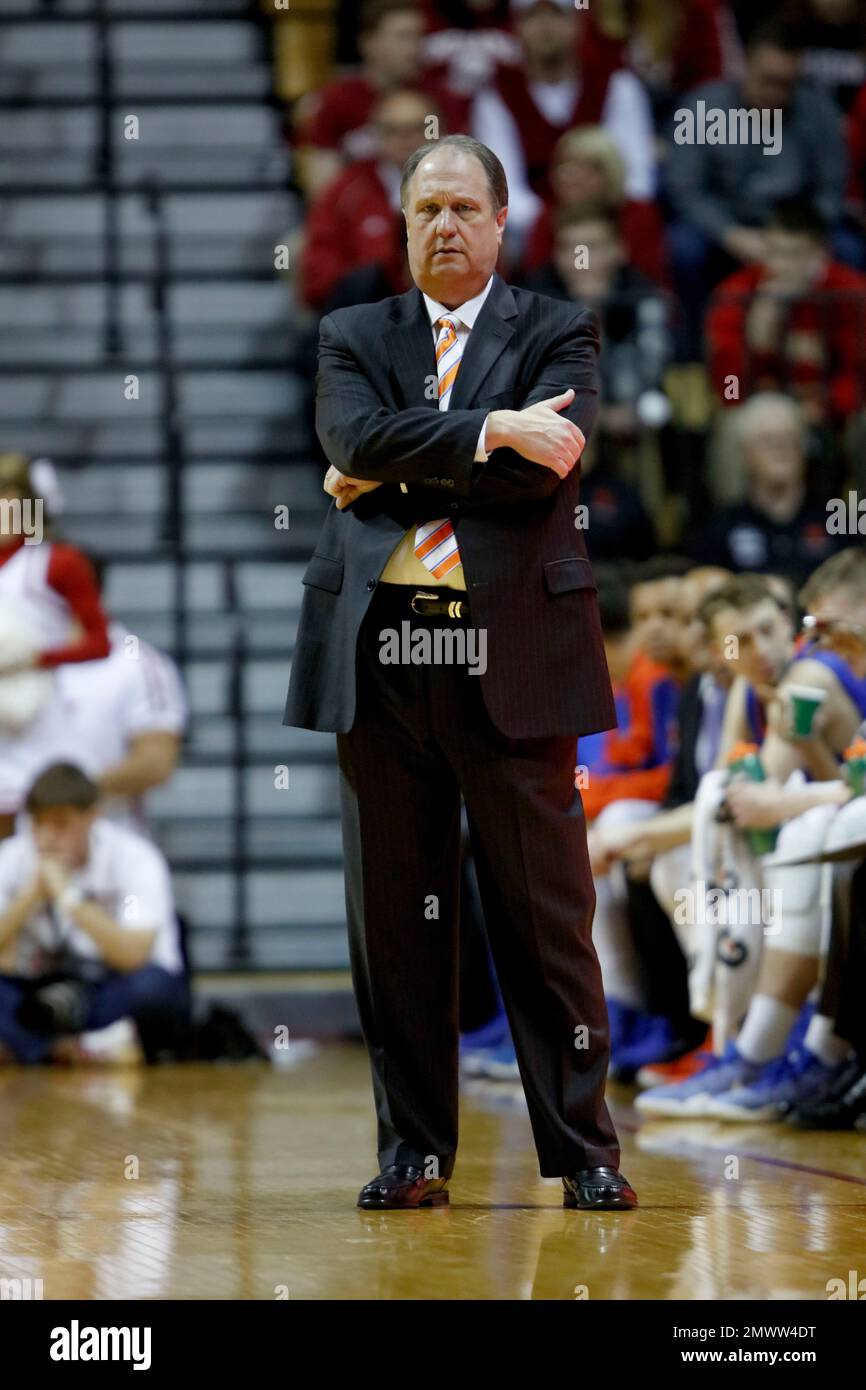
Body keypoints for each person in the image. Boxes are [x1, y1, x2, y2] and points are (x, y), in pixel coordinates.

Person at [284, 132, 637, 1211]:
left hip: (509, 650)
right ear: (403, 227)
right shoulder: (351, 331)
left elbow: (544, 476)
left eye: (462, 209)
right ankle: (413, 1153)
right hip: (381, 655)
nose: (443, 225)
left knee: (543, 915)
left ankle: (582, 1150)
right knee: (395, 917)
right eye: (425, 209)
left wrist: (386, 467)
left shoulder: (557, 327)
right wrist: (488, 428)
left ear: (498, 223)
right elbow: (348, 432)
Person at [0, 763, 188, 1065]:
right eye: (38, 824)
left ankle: (36, 1047)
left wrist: (70, 898)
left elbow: (134, 955)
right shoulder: (14, 857)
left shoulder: (134, 859)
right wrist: (28, 897)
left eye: (61, 824)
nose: (47, 838)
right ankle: (86, 1046)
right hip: (46, 991)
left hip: (111, 984)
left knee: (154, 988)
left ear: (91, 817)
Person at [471, 0, 656, 246]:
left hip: (611, 221)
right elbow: (503, 187)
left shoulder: (616, 83)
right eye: (533, 18)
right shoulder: (496, 94)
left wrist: (598, 224)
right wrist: (554, 225)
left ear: (577, 24)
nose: (545, 28)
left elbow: (636, 176)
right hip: (536, 227)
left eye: (557, 16)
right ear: (516, 28)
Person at [706, 198, 866, 426]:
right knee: (733, 423)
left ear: (821, 252)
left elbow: (859, 373)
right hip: (761, 415)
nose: (780, 266)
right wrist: (755, 344)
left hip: (835, 414)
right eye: (773, 252)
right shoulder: (736, 293)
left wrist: (826, 404)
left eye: (794, 254)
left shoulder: (852, 293)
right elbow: (728, 387)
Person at [691, 393, 847, 581]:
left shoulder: (837, 522)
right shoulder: (721, 529)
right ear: (746, 453)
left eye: (789, 438)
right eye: (767, 440)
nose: (780, 447)